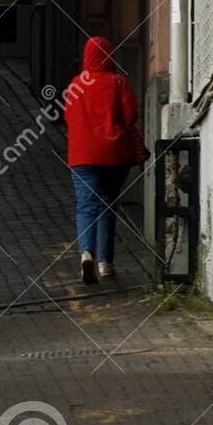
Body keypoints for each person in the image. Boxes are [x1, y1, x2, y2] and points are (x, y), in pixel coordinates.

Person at [63, 36, 147, 285]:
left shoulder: (76, 84)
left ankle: (86, 252)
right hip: (113, 155)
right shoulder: (119, 83)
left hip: (82, 156)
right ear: (110, 56)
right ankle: (105, 262)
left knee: (86, 205)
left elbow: (68, 117)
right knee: (108, 204)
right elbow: (131, 115)